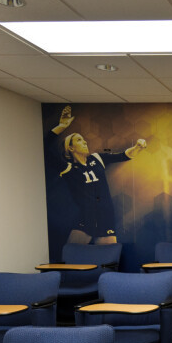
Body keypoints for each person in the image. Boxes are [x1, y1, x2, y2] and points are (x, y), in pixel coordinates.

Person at [53, 105, 147, 245]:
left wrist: (138, 147)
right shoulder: (68, 167)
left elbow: (123, 156)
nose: (84, 141)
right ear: (70, 148)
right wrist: (61, 126)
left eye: (84, 139)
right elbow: (45, 146)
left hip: (105, 216)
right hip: (86, 219)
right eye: (78, 140)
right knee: (73, 261)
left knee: (108, 262)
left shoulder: (97, 158)